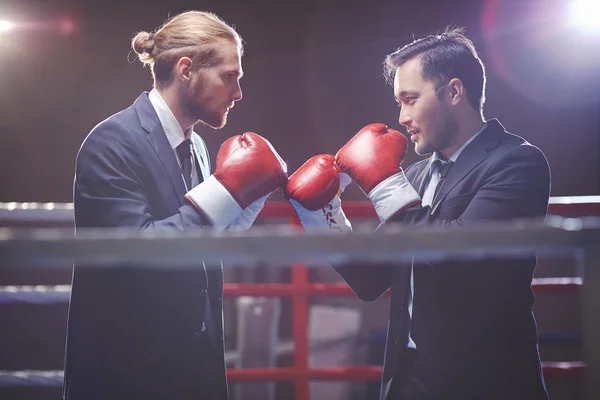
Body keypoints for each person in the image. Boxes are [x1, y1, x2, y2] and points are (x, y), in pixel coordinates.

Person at [285, 27, 550, 399]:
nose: (402, 116)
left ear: (454, 92)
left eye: (410, 99)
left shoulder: (516, 163)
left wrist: (384, 184)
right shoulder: (415, 175)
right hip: (408, 378)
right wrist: (322, 216)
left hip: (485, 380)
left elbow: (461, 258)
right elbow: (371, 279)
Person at [63, 11, 287, 400]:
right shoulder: (112, 142)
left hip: (194, 367)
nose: (238, 94)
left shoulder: (197, 146)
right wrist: (226, 191)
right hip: (128, 375)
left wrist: (247, 201)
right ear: (187, 70)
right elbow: (137, 253)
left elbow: (200, 239)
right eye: (229, 76)